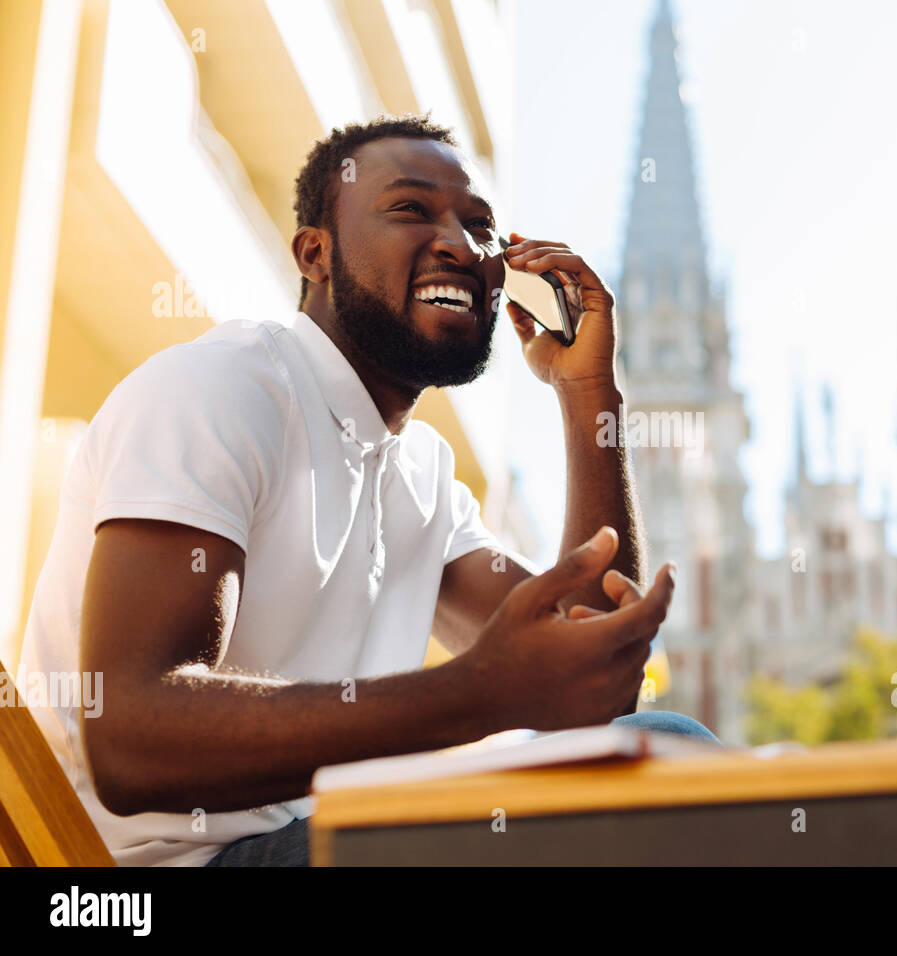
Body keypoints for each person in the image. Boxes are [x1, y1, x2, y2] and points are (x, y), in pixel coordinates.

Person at [17, 115, 718, 867]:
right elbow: (132, 739)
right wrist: (481, 693)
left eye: (481, 227)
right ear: (314, 253)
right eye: (412, 209)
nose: (460, 243)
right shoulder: (221, 388)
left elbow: (601, 692)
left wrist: (590, 396)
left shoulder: (422, 472)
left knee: (656, 753)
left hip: (314, 843)